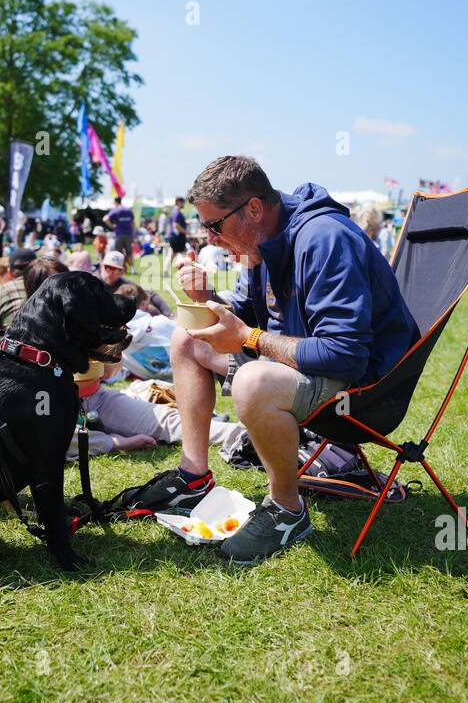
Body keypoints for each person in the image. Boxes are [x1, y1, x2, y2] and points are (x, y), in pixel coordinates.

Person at [158, 155, 416, 565]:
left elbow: (344, 354)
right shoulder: (264, 244)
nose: (210, 239)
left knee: (253, 381)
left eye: (214, 225)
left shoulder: (324, 239)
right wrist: (208, 301)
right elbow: (246, 315)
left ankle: (286, 510)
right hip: (310, 370)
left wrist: (250, 338)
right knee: (186, 340)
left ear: (254, 209)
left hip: (364, 390)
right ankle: (193, 477)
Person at [71, 361, 249, 460]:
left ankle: (248, 436)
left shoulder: (94, 316)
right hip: (54, 405)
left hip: (97, 399)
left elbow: (110, 372)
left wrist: (107, 351)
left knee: (169, 420)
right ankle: (109, 440)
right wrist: (114, 443)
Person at [167, 196, 188, 264]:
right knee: (182, 254)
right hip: (177, 237)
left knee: (173, 254)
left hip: (175, 237)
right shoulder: (176, 212)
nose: (183, 204)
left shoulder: (175, 211)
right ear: (179, 202)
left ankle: (166, 271)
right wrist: (186, 232)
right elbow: (175, 225)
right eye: (183, 202)